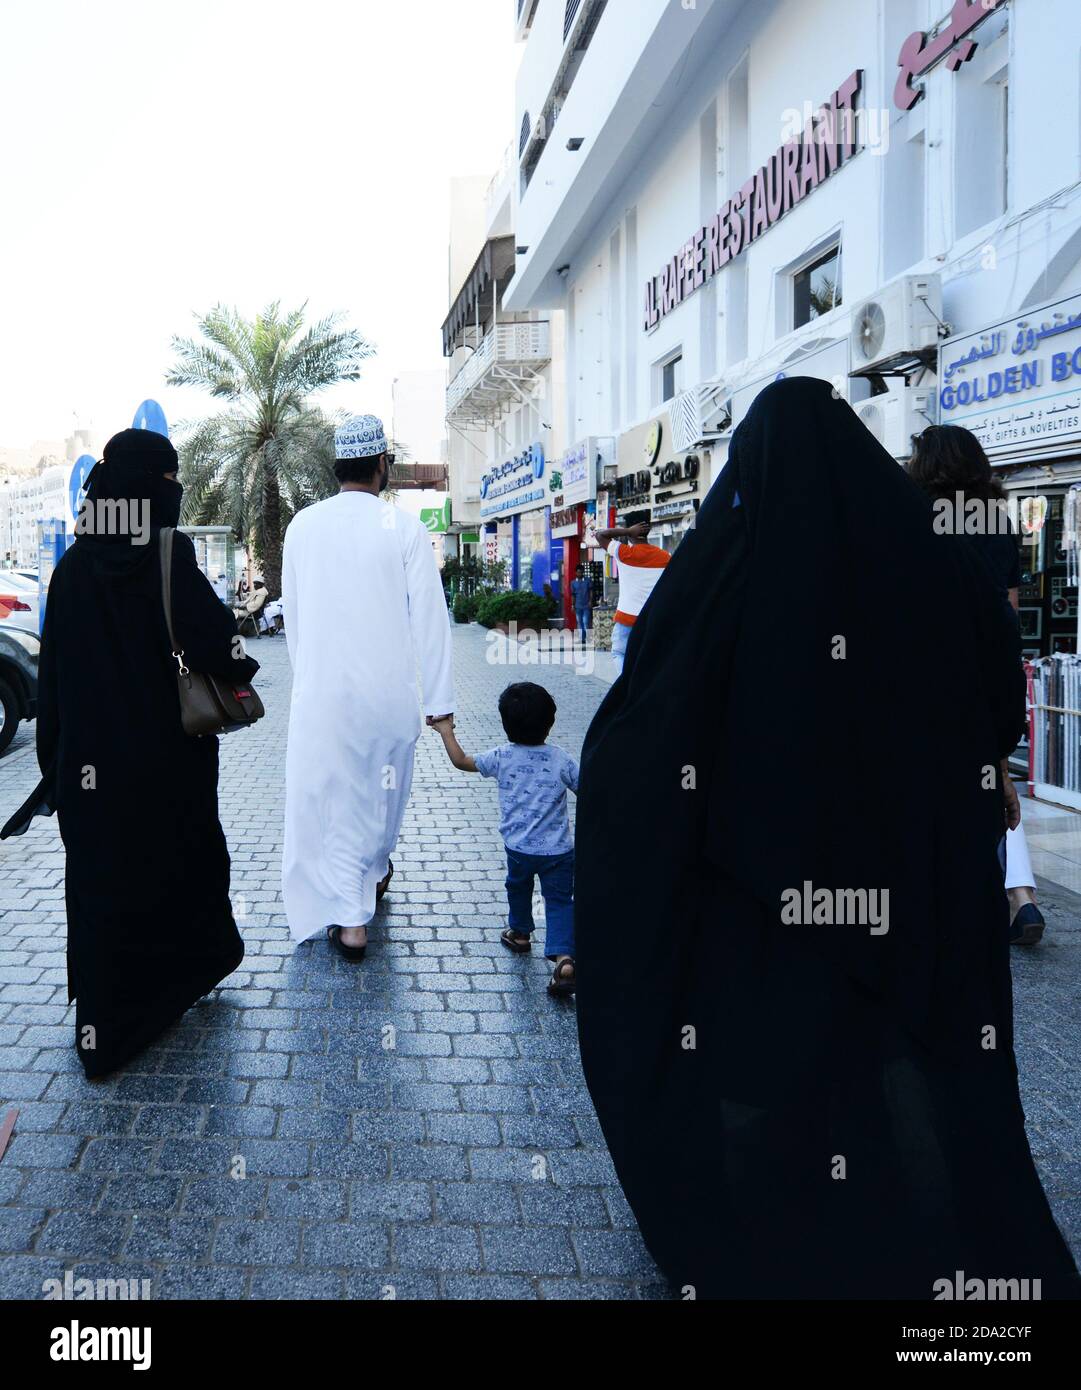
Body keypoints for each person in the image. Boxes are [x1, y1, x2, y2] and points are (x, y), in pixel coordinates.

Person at [574, 378, 1080, 1299]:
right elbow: (993, 708)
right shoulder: (928, 568)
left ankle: (788, 1213)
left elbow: (642, 734)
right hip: (899, 889)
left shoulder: (722, 572)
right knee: (869, 1054)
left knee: (788, 1064)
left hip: (759, 900)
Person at [1, 429, 259, 1079]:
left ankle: (102, 1029)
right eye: (170, 481)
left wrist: (56, 769)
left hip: (91, 778)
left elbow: (52, 683)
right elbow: (216, 644)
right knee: (177, 873)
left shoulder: (70, 570)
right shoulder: (170, 557)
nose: (174, 492)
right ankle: (174, 987)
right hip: (169, 768)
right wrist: (243, 662)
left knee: (103, 894)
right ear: (152, 487)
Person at [281, 414, 454, 960]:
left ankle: (351, 907)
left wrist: (311, 677)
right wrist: (441, 705)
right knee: (381, 798)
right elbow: (432, 621)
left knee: (335, 803)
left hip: (324, 698)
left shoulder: (302, 527)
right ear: (383, 465)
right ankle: (363, 900)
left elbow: (295, 617)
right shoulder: (403, 529)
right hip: (390, 698)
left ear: (338, 466)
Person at [907, 424, 1045, 947]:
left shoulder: (910, 517)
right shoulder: (998, 522)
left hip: (920, 680)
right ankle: (1006, 902)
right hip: (980, 684)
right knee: (981, 796)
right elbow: (1007, 617)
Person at [431, 682, 578, 996]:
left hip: (519, 849)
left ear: (505, 723)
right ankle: (564, 958)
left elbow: (461, 761)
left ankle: (521, 933)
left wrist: (446, 731)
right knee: (560, 902)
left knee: (518, 888)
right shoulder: (561, 759)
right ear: (550, 723)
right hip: (559, 851)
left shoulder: (502, 757)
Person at [594, 512, 670, 674]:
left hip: (626, 619)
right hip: (653, 618)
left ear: (632, 529)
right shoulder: (665, 557)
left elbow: (599, 535)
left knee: (619, 653)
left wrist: (627, 531)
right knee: (649, 658)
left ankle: (627, 686)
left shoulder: (624, 553)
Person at [570, 564, 593, 644]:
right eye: (578, 572)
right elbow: (573, 595)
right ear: (576, 572)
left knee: (586, 621)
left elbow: (590, 591)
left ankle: (588, 638)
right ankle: (581, 639)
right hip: (577, 605)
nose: (580, 574)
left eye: (581, 572)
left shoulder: (587, 580)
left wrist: (590, 601)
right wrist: (572, 605)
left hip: (586, 604)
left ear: (583, 572)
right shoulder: (573, 583)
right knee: (579, 622)